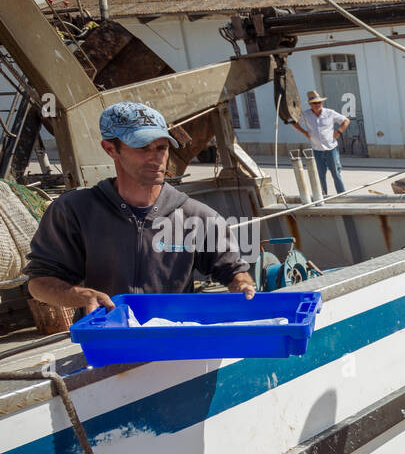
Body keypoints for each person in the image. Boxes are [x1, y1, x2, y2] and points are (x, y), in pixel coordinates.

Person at [26, 101, 254, 312]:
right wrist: (81, 295)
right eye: (143, 148)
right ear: (110, 148)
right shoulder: (74, 211)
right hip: (108, 344)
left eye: (162, 148)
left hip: (174, 343)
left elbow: (233, 271)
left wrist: (243, 285)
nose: (156, 158)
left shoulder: (198, 216)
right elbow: (40, 282)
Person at [291, 90, 349, 195]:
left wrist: (338, 132)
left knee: (336, 173)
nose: (317, 105)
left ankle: (342, 195)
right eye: (314, 103)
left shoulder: (330, 113)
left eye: (319, 102)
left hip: (331, 149)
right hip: (317, 150)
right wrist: (304, 133)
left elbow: (346, 121)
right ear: (310, 104)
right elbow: (293, 122)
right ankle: (322, 196)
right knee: (320, 175)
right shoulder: (305, 115)